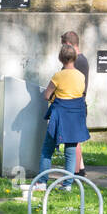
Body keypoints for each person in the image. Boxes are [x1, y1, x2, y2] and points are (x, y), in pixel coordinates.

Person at [36, 42, 89, 190]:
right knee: (70, 151)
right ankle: (67, 185)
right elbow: (80, 94)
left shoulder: (58, 76)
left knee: (47, 149)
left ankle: (42, 182)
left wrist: (53, 95)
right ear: (74, 58)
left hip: (59, 117)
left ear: (60, 59)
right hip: (75, 118)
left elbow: (46, 96)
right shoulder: (81, 76)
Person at [61, 30, 89, 177]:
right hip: (77, 107)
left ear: (69, 44)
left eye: (63, 46)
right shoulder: (81, 60)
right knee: (75, 140)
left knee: (74, 142)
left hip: (74, 107)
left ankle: (74, 174)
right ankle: (81, 170)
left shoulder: (77, 61)